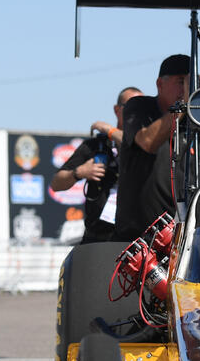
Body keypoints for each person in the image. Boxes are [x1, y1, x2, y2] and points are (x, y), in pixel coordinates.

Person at [50, 86, 142, 243]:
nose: (136, 112)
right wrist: (79, 172)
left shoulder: (148, 145)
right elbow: (56, 184)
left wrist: (109, 129)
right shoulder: (95, 145)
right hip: (98, 235)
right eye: (130, 106)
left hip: (136, 236)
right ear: (117, 110)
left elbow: (131, 142)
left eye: (140, 107)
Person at [114, 55, 190, 241]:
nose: (186, 88)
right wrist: (181, 106)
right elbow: (147, 141)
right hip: (135, 238)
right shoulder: (139, 106)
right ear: (159, 84)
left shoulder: (195, 115)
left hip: (180, 237)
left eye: (190, 82)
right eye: (181, 82)